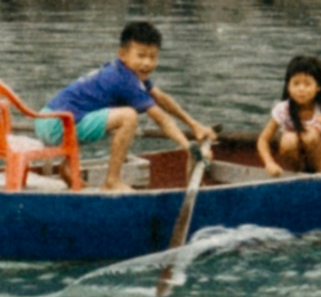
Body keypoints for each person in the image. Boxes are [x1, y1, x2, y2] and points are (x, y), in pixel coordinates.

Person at [37, 20, 214, 192]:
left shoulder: (125, 71)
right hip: (56, 125)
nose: (147, 63)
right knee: (128, 117)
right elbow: (160, 118)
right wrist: (189, 148)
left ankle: (68, 168)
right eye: (141, 55)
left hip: (48, 118)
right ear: (123, 54)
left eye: (153, 57)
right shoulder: (125, 80)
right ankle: (112, 182)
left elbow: (160, 97)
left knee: (96, 113)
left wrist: (194, 125)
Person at [258, 54, 321, 176]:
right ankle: (294, 176)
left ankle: (320, 177)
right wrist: (269, 163)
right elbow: (263, 140)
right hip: (296, 162)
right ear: (288, 86)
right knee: (288, 139)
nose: (301, 89)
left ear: (318, 87)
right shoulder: (283, 109)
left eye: (307, 84)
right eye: (296, 83)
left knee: (310, 135)